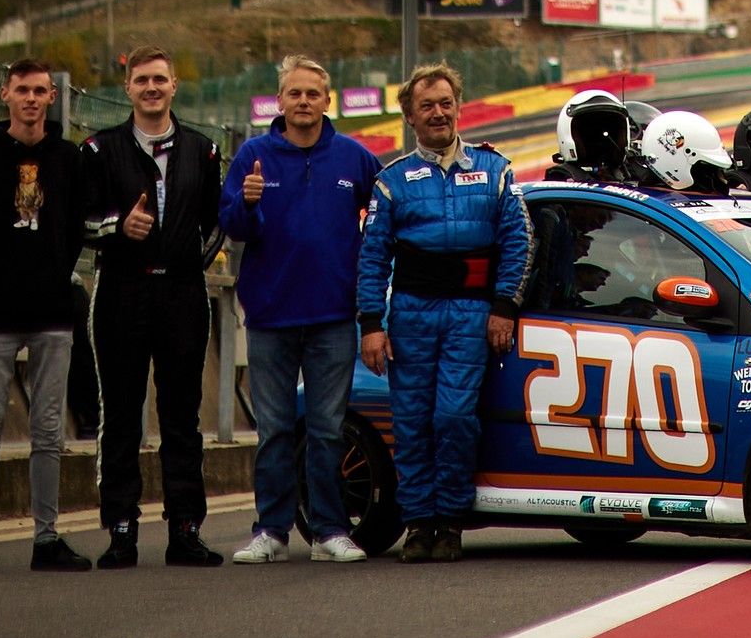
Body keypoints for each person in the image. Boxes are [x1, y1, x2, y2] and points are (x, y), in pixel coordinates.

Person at [357, 62, 532, 564]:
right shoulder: (392, 180)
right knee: (412, 422)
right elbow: (372, 256)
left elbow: (517, 241)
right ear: (411, 117)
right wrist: (372, 324)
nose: (438, 113)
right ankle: (418, 524)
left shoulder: (495, 169)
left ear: (459, 106)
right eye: (426, 106)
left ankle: (451, 521)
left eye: (445, 103)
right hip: (410, 314)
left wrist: (503, 307)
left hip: (472, 316)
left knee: (454, 418)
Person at [220, 57, 384, 565]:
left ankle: (330, 531)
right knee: (273, 430)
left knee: (327, 429)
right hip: (270, 317)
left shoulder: (354, 158)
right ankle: (270, 530)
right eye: (294, 94)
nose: (304, 102)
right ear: (280, 101)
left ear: (327, 100)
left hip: (334, 318)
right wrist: (246, 202)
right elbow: (230, 224)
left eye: (313, 93)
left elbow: (384, 217)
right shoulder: (253, 155)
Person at [81, 45, 224, 569]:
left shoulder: (204, 151)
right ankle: (121, 530)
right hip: (121, 291)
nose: (151, 88)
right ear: (128, 88)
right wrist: (120, 228)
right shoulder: (98, 150)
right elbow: (81, 223)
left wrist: (191, 261)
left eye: (159, 79)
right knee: (120, 416)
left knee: (182, 417)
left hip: (182, 295)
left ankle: (185, 529)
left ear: (174, 85)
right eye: (142, 80)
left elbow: (217, 221)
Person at [0, 60, 91, 575]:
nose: (30, 99)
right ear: (5, 93)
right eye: (21, 90)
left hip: (52, 312)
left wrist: (54, 272)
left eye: (39, 91)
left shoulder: (68, 158)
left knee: (48, 429)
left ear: (52, 97)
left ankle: (46, 538)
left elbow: (76, 227)